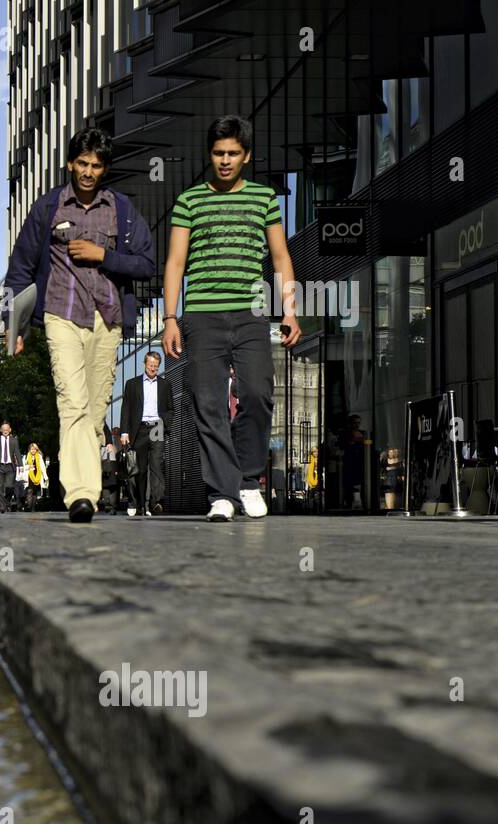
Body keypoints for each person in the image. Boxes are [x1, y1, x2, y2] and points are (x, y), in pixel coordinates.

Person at [4, 126, 156, 524]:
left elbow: (146, 262)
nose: (88, 171)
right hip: (61, 315)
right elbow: (20, 269)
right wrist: (14, 325)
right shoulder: (48, 207)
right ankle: (82, 495)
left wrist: (102, 254)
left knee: (94, 409)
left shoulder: (120, 209)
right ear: (71, 164)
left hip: (107, 320)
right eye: (83, 163)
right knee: (71, 402)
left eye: (96, 165)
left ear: (104, 169)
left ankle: (84, 490)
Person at [162, 115, 300, 522]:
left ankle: (249, 479)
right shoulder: (190, 200)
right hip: (202, 316)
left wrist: (289, 310)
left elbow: (280, 257)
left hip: (251, 315)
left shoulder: (263, 199)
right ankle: (221, 492)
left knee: (257, 394)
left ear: (247, 156)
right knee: (208, 404)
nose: (224, 160)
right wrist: (171, 318)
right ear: (210, 154)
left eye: (233, 154)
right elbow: (175, 261)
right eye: (219, 153)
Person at [120, 350, 175, 516]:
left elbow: (170, 408)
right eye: (151, 365)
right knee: (140, 469)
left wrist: (166, 424)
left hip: (157, 426)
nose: (153, 368)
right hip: (139, 429)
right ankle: (137, 503)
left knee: (157, 465)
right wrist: (124, 432)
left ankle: (155, 502)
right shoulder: (132, 384)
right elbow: (126, 409)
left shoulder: (165, 385)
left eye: (156, 366)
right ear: (145, 364)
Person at [0, 422, 23, 513]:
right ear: (1, 430)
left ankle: (6, 503)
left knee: (9, 486)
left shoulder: (14, 440)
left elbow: (17, 453)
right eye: (4, 429)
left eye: (7, 429)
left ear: (10, 430)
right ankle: (3, 506)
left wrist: (21, 465)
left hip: (10, 467)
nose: (5, 431)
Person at [24, 442, 49, 511]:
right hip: (29, 476)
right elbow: (23, 467)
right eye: (32, 449)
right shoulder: (27, 456)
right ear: (29, 450)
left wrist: (45, 477)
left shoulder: (39, 456)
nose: (33, 451)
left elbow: (43, 467)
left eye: (34, 449)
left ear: (36, 450)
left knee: (35, 492)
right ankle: (29, 506)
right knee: (29, 490)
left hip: (38, 476)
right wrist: (29, 466)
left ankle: (33, 508)